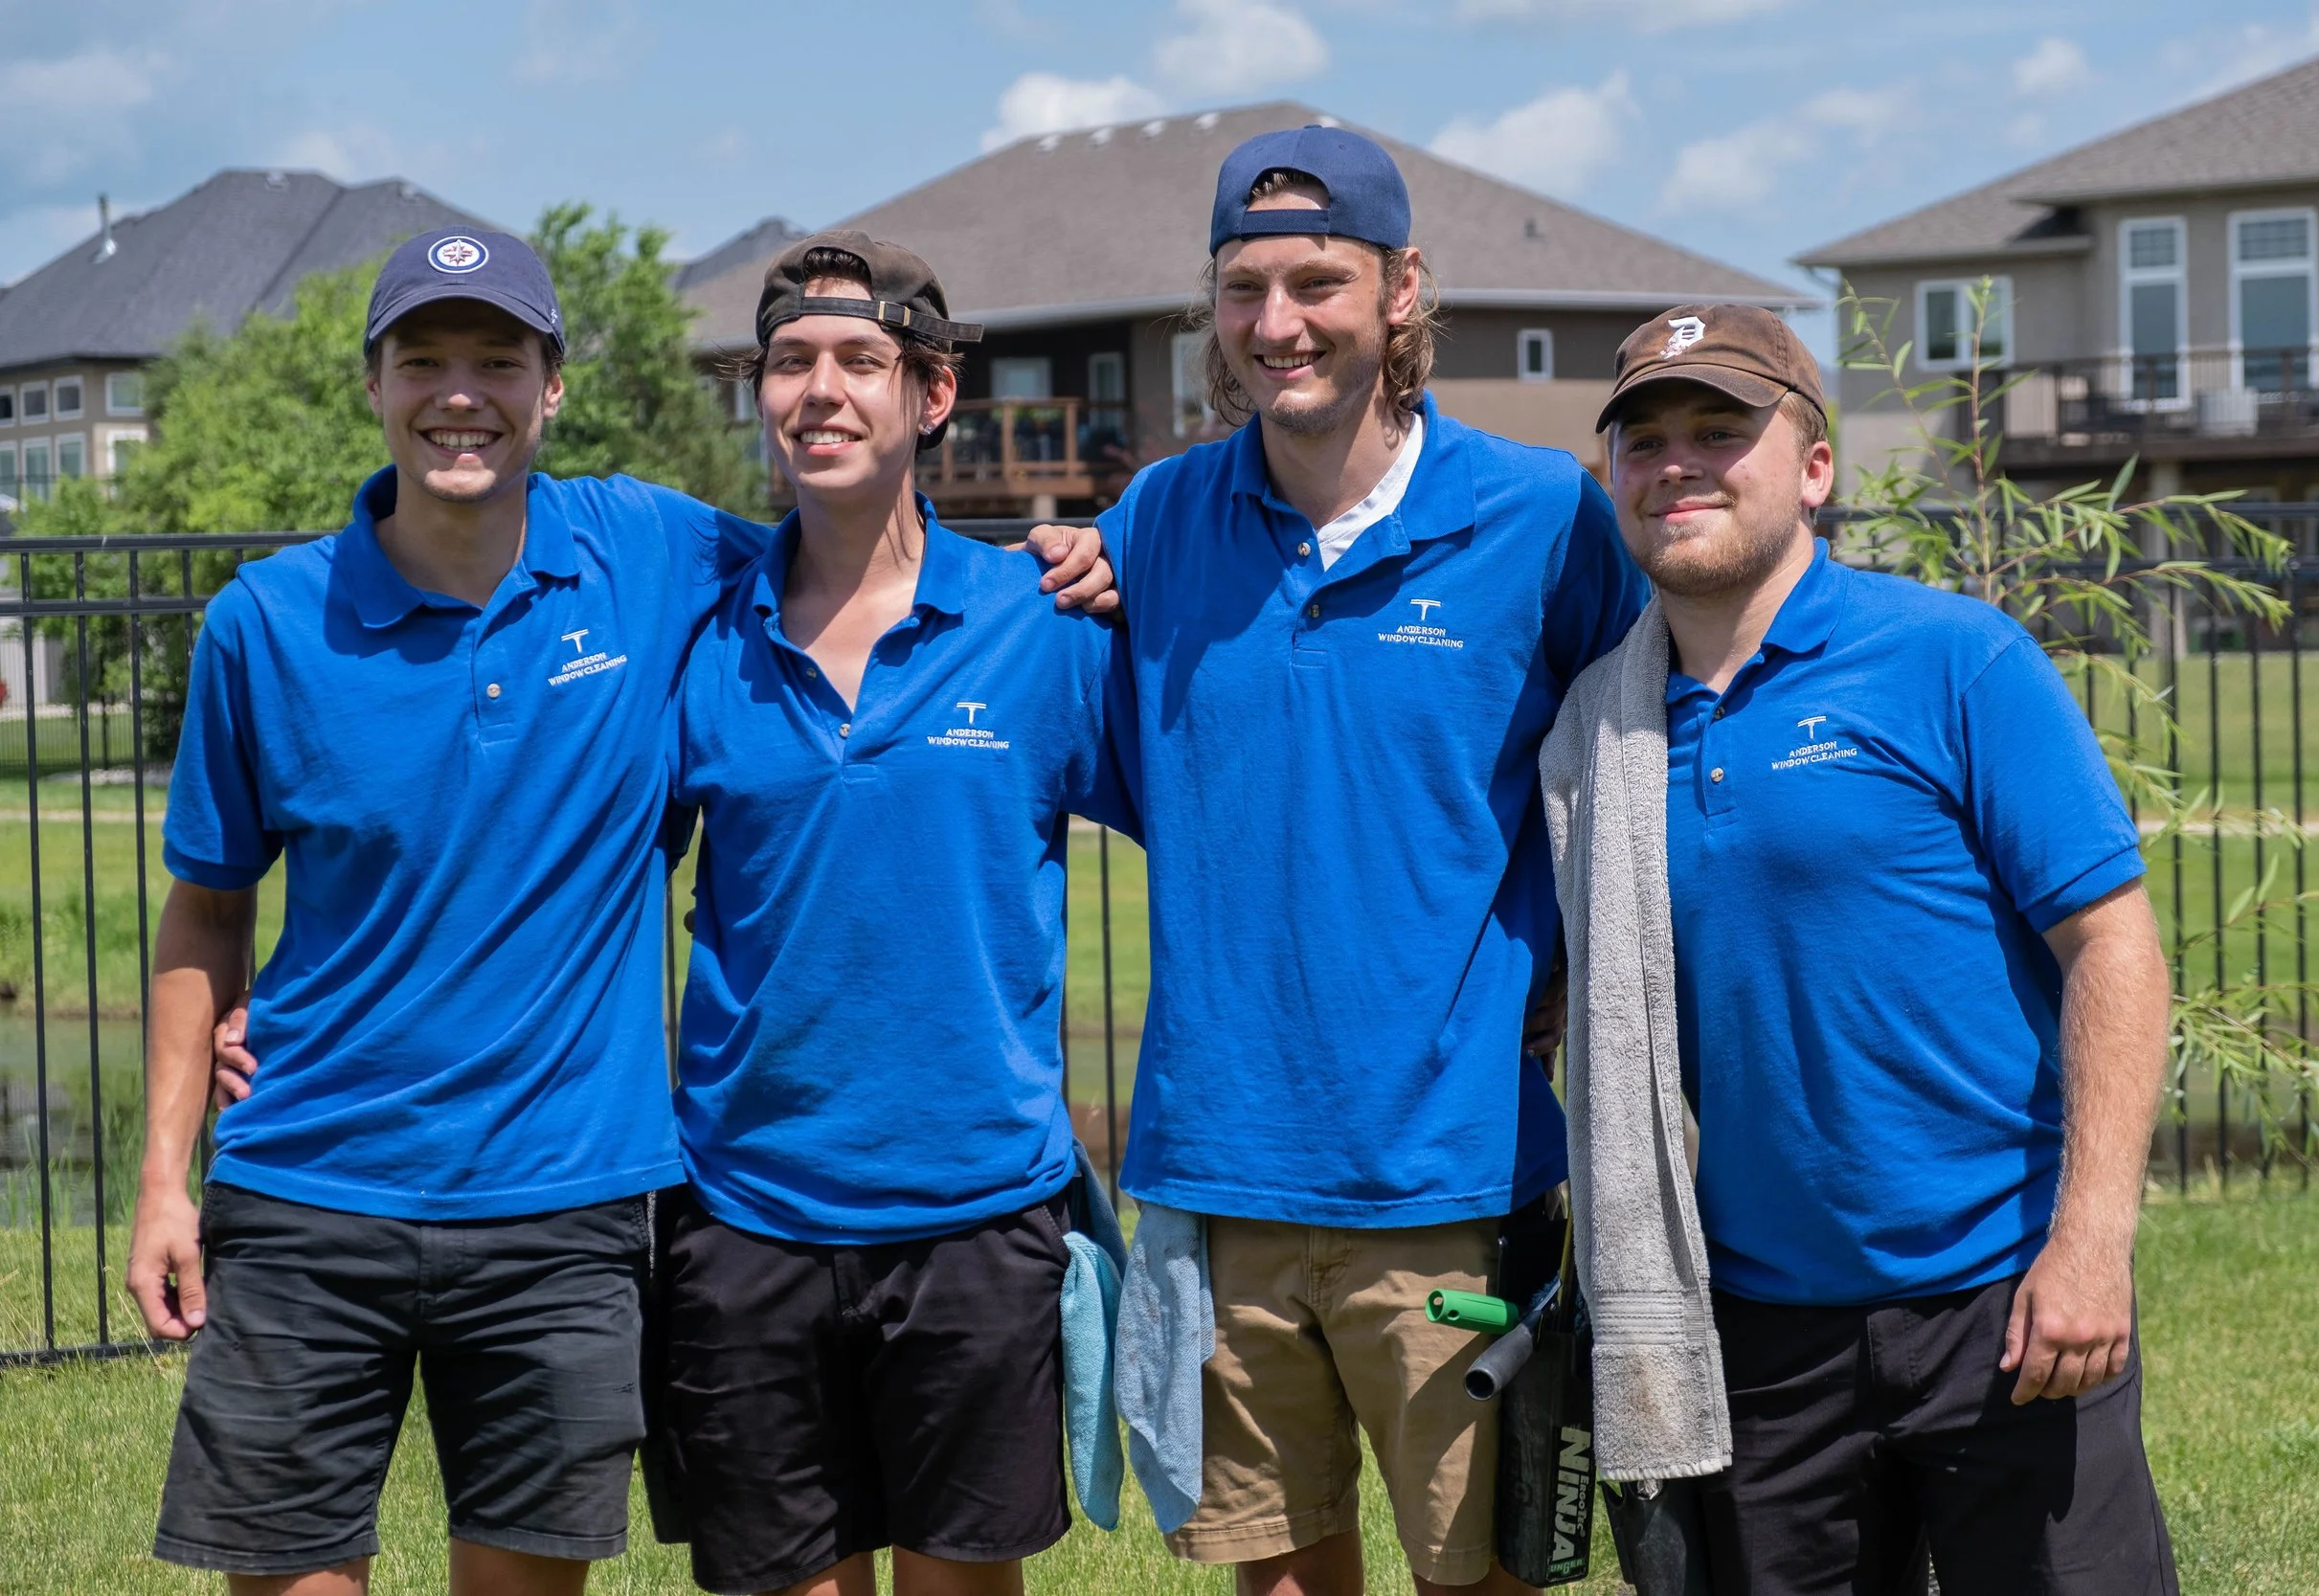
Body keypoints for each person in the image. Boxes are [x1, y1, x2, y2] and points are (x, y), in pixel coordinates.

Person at [130, 226, 1111, 1596]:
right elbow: (206, 908)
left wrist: (1109, 550)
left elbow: (869, 557)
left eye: (496, 360)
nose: (458, 392)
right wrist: (166, 1176)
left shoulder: (670, 560)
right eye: (424, 360)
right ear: (374, 384)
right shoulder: (281, 623)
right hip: (333, 1188)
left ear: (553, 389)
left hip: (577, 1207)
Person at [1048, 126, 1645, 1595]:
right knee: (1279, 1579)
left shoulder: (1543, 519)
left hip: (1446, 1173)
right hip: (1216, 1175)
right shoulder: (1164, 522)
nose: (1277, 323)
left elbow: (1635, 760)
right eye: (1244, 286)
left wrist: (1561, 964)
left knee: (1479, 1573)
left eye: (1318, 279)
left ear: (1401, 289)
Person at [1546, 303, 2178, 1595]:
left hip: (2003, 1301)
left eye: (1722, 431)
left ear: (1814, 467)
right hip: (1760, 1333)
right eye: (1646, 439)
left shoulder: (1952, 661)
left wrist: (2091, 1240)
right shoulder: (1594, 738)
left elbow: (2114, 942)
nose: (1678, 464)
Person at [645, 231, 1134, 1596]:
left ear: (932, 395)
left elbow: (1226, 820)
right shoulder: (702, 634)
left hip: (977, 1216)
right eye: (790, 362)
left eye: (862, 361)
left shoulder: (1041, 621)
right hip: (747, 1217)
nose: (821, 391)